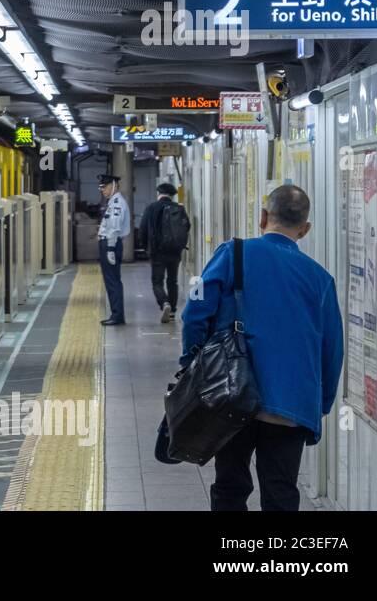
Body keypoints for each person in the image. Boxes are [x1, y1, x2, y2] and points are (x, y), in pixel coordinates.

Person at [180, 184, 343, 511]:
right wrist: (320, 404)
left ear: (263, 217)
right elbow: (332, 350)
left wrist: (191, 365)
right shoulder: (321, 280)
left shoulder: (231, 253)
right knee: (281, 492)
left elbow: (194, 311)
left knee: (229, 486)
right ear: (305, 228)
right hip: (292, 403)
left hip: (231, 398)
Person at [138, 182, 189, 323]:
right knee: (173, 281)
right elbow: (187, 227)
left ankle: (164, 302)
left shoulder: (151, 208)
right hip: (175, 251)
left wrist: (144, 247)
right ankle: (172, 311)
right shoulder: (179, 208)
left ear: (159, 194)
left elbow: (142, 229)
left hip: (157, 252)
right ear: (172, 195)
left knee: (157, 282)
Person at [96, 173, 131, 326]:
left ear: (113, 186)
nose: (102, 190)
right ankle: (116, 314)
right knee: (111, 280)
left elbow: (115, 228)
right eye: (101, 187)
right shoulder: (113, 202)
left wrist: (110, 248)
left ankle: (117, 316)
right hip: (110, 244)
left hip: (111, 244)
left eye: (104, 187)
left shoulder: (117, 203)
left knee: (112, 281)